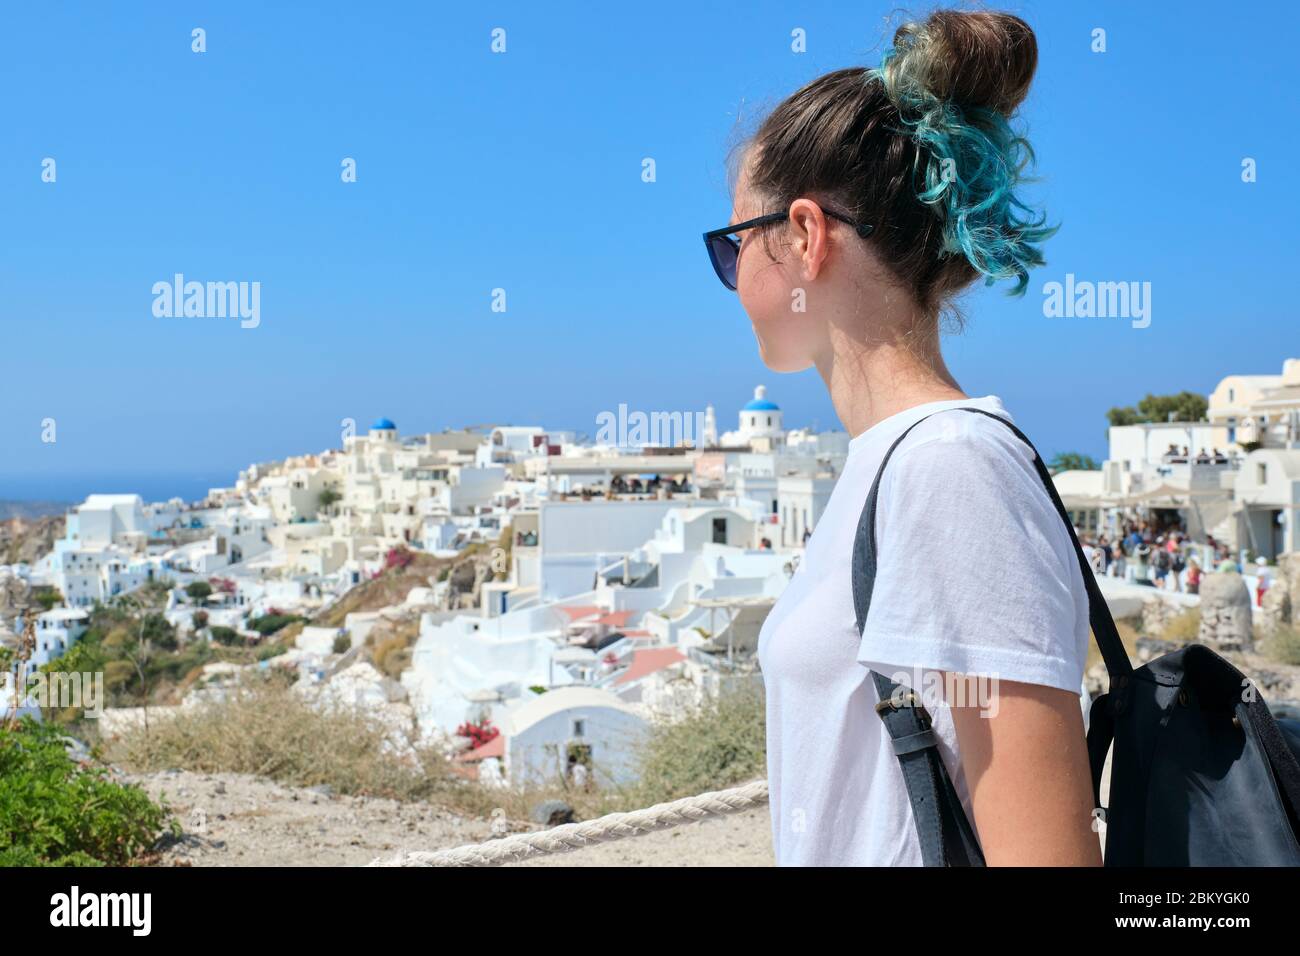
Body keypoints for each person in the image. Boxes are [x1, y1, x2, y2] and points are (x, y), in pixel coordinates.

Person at [713, 10, 1100, 865]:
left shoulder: (951, 468)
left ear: (806, 236)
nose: (730, 275)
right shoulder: (892, 465)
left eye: (732, 243)